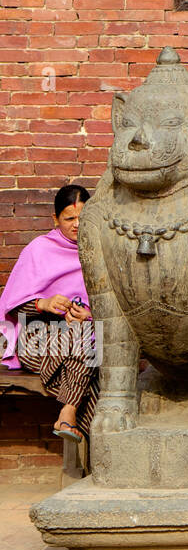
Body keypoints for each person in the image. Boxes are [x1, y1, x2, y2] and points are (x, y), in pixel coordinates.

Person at [0, 184, 97, 443]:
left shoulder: (97, 253)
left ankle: (69, 417)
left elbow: (110, 304)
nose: (77, 224)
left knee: (88, 340)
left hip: (82, 343)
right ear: (55, 219)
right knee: (94, 366)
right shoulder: (38, 249)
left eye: (82, 218)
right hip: (36, 340)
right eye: (69, 218)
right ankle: (70, 413)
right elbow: (12, 306)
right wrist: (43, 303)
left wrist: (88, 312)